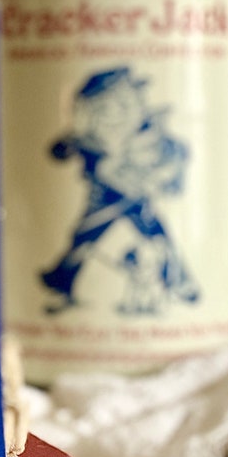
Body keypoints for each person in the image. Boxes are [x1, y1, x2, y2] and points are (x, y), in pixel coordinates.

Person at [41, 67, 198, 314]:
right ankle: (62, 279)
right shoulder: (91, 137)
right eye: (108, 106)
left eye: (127, 101)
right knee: (84, 237)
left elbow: (174, 154)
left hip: (134, 198)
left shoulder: (146, 131)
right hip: (105, 199)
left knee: (157, 236)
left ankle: (178, 282)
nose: (119, 110)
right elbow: (60, 150)